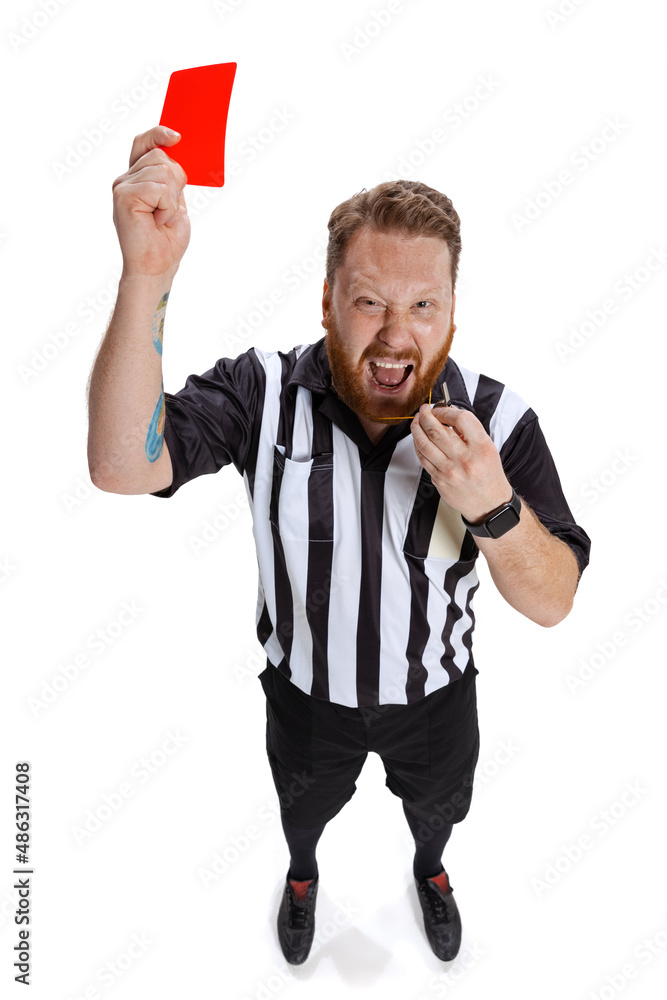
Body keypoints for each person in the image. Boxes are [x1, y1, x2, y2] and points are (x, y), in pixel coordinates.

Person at [87, 125, 591, 965]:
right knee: (302, 807)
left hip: (434, 697)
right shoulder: (262, 391)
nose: (397, 335)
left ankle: (430, 870)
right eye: (369, 302)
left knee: (437, 811)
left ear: (453, 313)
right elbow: (119, 465)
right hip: (304, 695)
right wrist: (147, 275)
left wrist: (492, 506)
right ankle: (300, 875)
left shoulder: (497, 425)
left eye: (422, 306)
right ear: (327, 302)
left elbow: (555, 601)